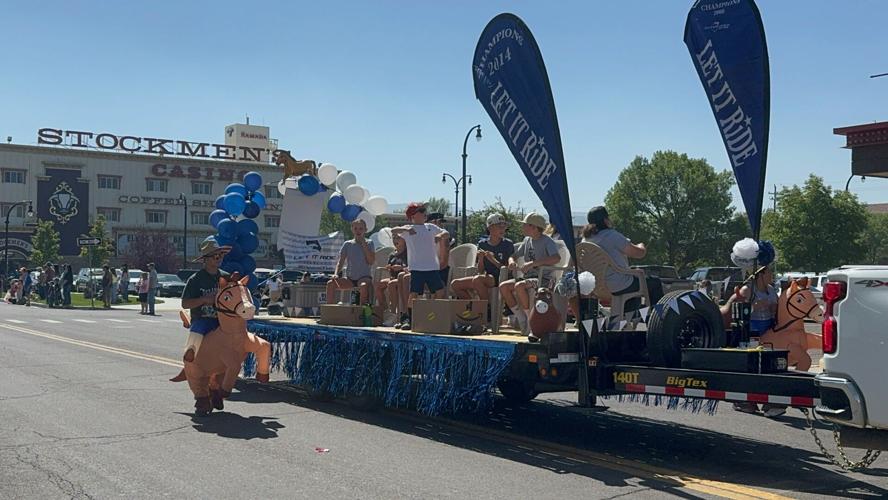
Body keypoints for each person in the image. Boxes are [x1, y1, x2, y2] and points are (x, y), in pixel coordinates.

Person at [582, 206, 663, 312]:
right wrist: (641, 246)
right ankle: (657, 319)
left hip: (596, 287)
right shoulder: (612, 235)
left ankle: (626, 319)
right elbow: (638, 254)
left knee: (633, 281)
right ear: (606, 220)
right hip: (617, 285)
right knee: (654, 282)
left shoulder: (585, 240)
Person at [499, 213, 561, 338]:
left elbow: (556, 258)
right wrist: (511, 262)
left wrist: (533, 263)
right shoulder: (527, 240)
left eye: (525, 225)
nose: (522, 227)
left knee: (520, 285)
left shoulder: (547, 241)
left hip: (543, 279)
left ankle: (530, 320)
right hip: (528, 278)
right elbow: (514, 255)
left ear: (533, 227)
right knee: (504, 286)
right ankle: (522, 317)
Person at [392, 202, 450, 330]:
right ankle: (409, 318)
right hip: (417, 268)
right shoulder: (409, 229)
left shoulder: (430, 227)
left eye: (424, 210)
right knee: (414, 294)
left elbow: (446, 233)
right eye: (421, 211)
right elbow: (393, 230)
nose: (425, 213)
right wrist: (405, 229)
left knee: (440, 292)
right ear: (413, 215)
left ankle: (433, 314)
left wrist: (440, 235)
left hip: (432, 268)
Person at [179, 236, 231, 363]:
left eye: (221, 256)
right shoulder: (195, 279)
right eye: (216, 256)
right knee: (199, 327)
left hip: (223, 320)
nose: (219, 259)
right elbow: (185, 303)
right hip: (203, 318)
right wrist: (204, 299)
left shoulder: (226, 277)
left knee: (237, 332)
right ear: (205, 260)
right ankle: (191, 352)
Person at [452, 213, 514, 306]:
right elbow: (480, 271)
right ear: (490, 228)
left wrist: (493, 260)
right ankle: (473, 307)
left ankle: (486, 309)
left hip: (501, 278)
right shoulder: (482, 244)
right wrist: (481, 259)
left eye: (504, 226)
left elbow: (507, 270)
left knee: (478, 280)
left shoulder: (507, 244)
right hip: (486, 277)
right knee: (455, 284)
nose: (503, 229)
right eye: (499, 226)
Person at [326, 219, 376, 305]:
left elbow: (371, 261)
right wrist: (336, 274)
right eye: (355, 228)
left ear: (365, 230)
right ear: (352, 229)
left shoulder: (370, 243)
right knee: (330, 283)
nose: (358, 231)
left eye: (361, 228)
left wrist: (363, 243)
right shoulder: (347, 244)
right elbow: (340, 262)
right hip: (349, 279)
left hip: (364, 277)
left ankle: (361, 311)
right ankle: (330, 309)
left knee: (363, 286)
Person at [374, 234, 408, 317]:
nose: (395, 240)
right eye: (394, 238)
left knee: (391, 284)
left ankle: (394, 312)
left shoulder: (408, 253)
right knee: (378, 285)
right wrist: (389, 267)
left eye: (398, 238)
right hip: (393, 277)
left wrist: (401, 268)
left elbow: (411, 267)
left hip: (404, 278)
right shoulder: (392, 254)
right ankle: (384, 310)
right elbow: (389, 267)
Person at [426, 212, 451, 291]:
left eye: (441, 222)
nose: (441, 225)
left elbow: (443, 263)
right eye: (438, 222)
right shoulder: (424, 235)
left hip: (440, 270)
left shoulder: (443, 236)